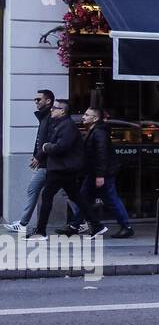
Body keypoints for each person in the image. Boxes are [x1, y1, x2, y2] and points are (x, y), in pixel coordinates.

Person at [31, 100, 103, 239]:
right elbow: (52, 141)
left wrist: (46, 147)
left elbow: (60, 147)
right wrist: (41, 154)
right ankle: (97, 225)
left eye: (54, 108)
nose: (51, 110)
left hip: (61, 168)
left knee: (47, 196)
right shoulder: (59, 124)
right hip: (62, 168)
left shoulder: (67, 126)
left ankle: (41, 231)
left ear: (62, 111)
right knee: (77, 197)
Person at [79, 107, 134, 239]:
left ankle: (126, 226)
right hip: (95, 173)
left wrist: (100, 175)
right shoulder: (94, 131)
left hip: (101, 173)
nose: (83, 117)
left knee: (110, 199)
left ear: (95, 118)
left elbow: (102, 155)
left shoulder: (99, 132)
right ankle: (75, 224)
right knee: (83, 198)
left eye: (87, 115)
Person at [5, 90, 55, 233]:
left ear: (48, 101)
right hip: (46, 163)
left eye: (39, 99)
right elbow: (40, 140)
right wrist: (36, 155)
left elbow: (48, 141)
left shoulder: (50, 118)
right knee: (70, 192)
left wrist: (39, 156)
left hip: (48, 164)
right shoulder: (44, 117)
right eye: (35, 99)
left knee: (33, 189)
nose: (36, 102)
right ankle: (83, 220)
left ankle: (23, 223)